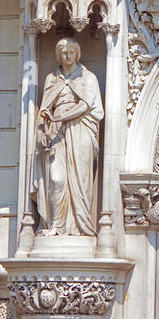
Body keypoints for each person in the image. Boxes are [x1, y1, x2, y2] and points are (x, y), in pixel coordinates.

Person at [33, 39, 104, 236]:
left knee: (80, 178)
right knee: (56, 178)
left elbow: (86, 104)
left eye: (71, 51)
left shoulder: (88, 77)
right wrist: (42, 129)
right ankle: (56, 225)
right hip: (55, 131)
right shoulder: (52, 79)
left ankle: (80, 227)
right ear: (58, 55)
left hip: (80, 129)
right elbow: (45, 107)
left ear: (77, 54)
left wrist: (61, 116)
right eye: (63, 52)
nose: (67, 55)